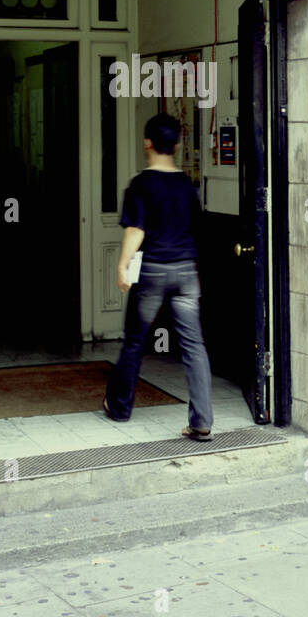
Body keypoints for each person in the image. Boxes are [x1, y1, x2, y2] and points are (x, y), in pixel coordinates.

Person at [102, 112, 214, 440]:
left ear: (147, 143)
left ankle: (120, 408)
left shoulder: (140, 184)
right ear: (178, 145)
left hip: (152, 271)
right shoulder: (186, 185)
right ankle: (202, 421)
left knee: (135, 341)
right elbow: (197, 228)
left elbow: (136, 230)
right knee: (194, 345)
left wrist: (122, 266)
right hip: (185, 272)